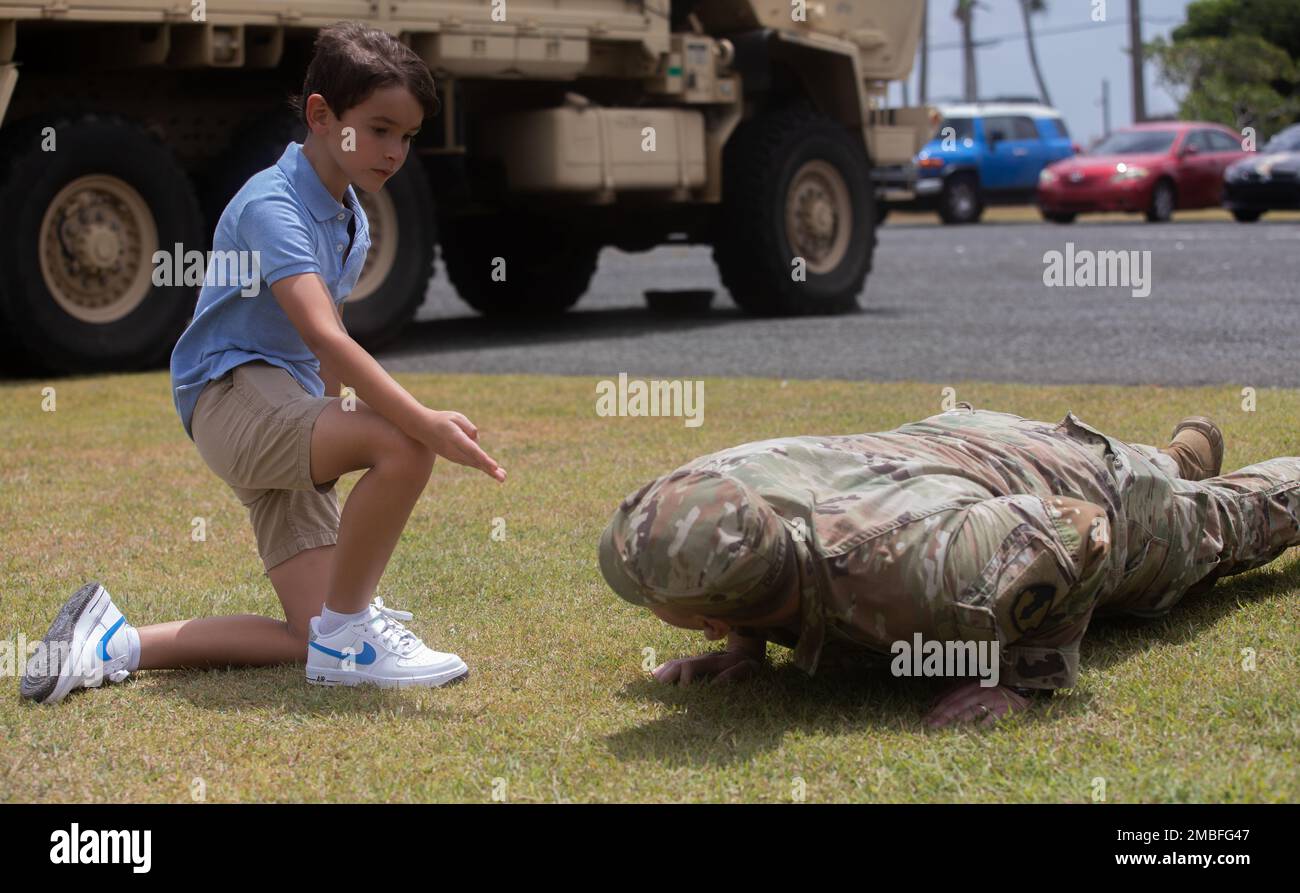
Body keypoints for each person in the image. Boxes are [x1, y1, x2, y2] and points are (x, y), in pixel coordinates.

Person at [22, 22, 505, 706]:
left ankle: (111, 642)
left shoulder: (352, 219)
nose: (396, 152)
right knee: (403, 442)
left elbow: (322, 351)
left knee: (309, 632)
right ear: (320, 115)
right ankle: (352, 633)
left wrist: (329, 455)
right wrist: (421, 420)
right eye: (379, 129)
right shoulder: (270, 204)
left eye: (407, 135)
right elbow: (326, 334)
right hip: (230, 400)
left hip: (284, 407)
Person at [598, 405, 1300, 728]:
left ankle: (1181, 475)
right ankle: (1177, 453)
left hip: (1075, 484)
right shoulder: (721, 483)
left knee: (1227, 524)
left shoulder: (901, 569)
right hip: (958, 452)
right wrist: (744, 642)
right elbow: (755, 542)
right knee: (1162, 474)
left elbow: (1085, 531)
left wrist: (1022, 677)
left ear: (708, 609)